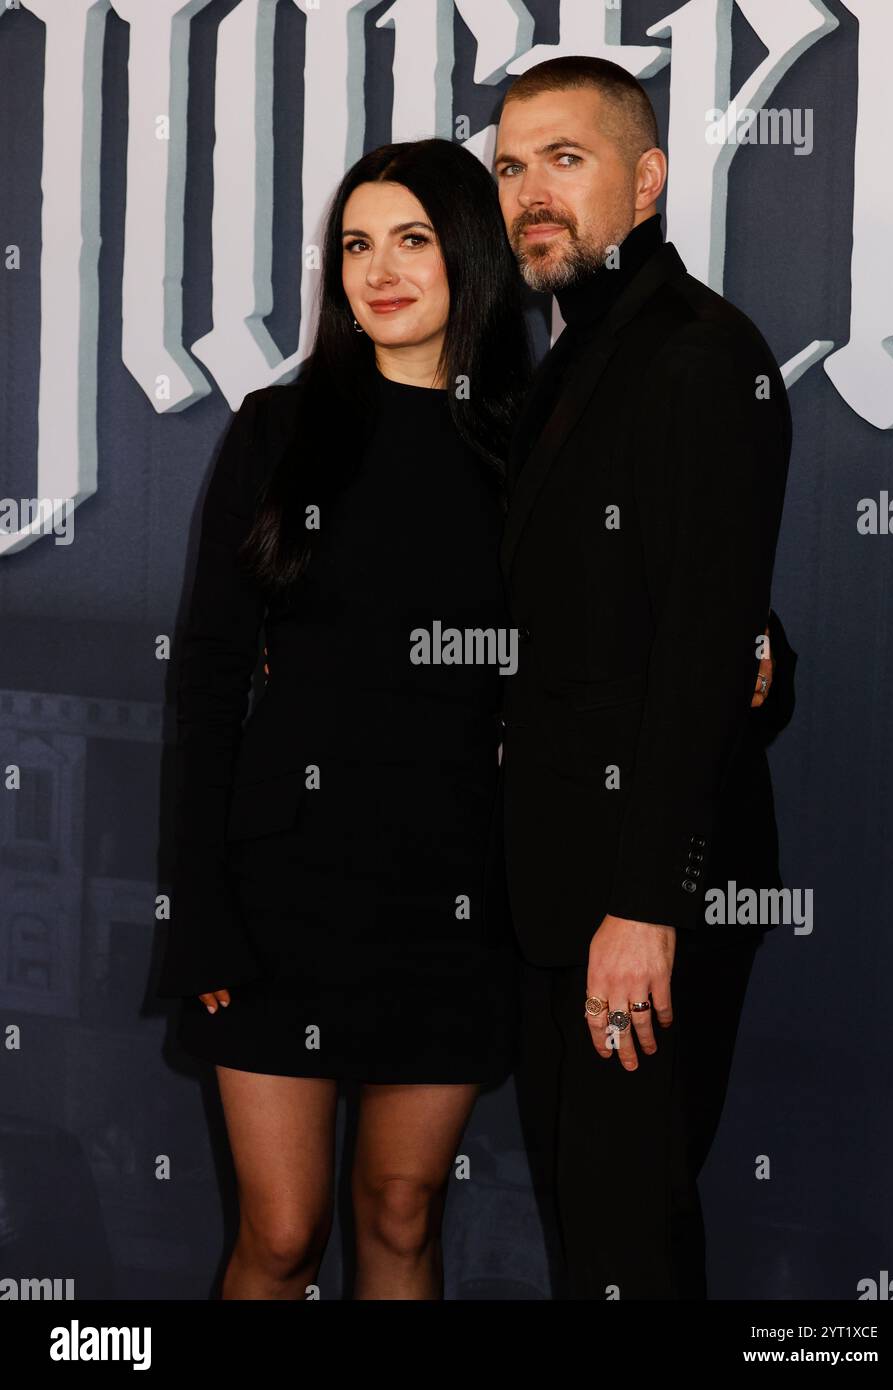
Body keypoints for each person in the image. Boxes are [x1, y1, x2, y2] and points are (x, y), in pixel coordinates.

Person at [156, 137, 533, 1300]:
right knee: (280, 1234)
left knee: (403, 1214)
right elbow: (209, 677)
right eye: (356, 245)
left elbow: (632, 620)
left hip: (454, 890)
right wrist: (202, 913)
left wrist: (757, 646)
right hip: (282, 890)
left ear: (468, 254)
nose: (379, 270)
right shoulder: (280, 428)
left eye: (411, 240)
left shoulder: (533, 449)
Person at [493, 56, 795, 1299]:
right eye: (512, 168)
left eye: (566, 161)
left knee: (626, 1244)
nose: (531, 195)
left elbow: (704, 649)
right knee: (589, 1236)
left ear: (649, 179)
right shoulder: (560, 366)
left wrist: (646, 904)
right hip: (558, 884)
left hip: (638, 896)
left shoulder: (700, 353)